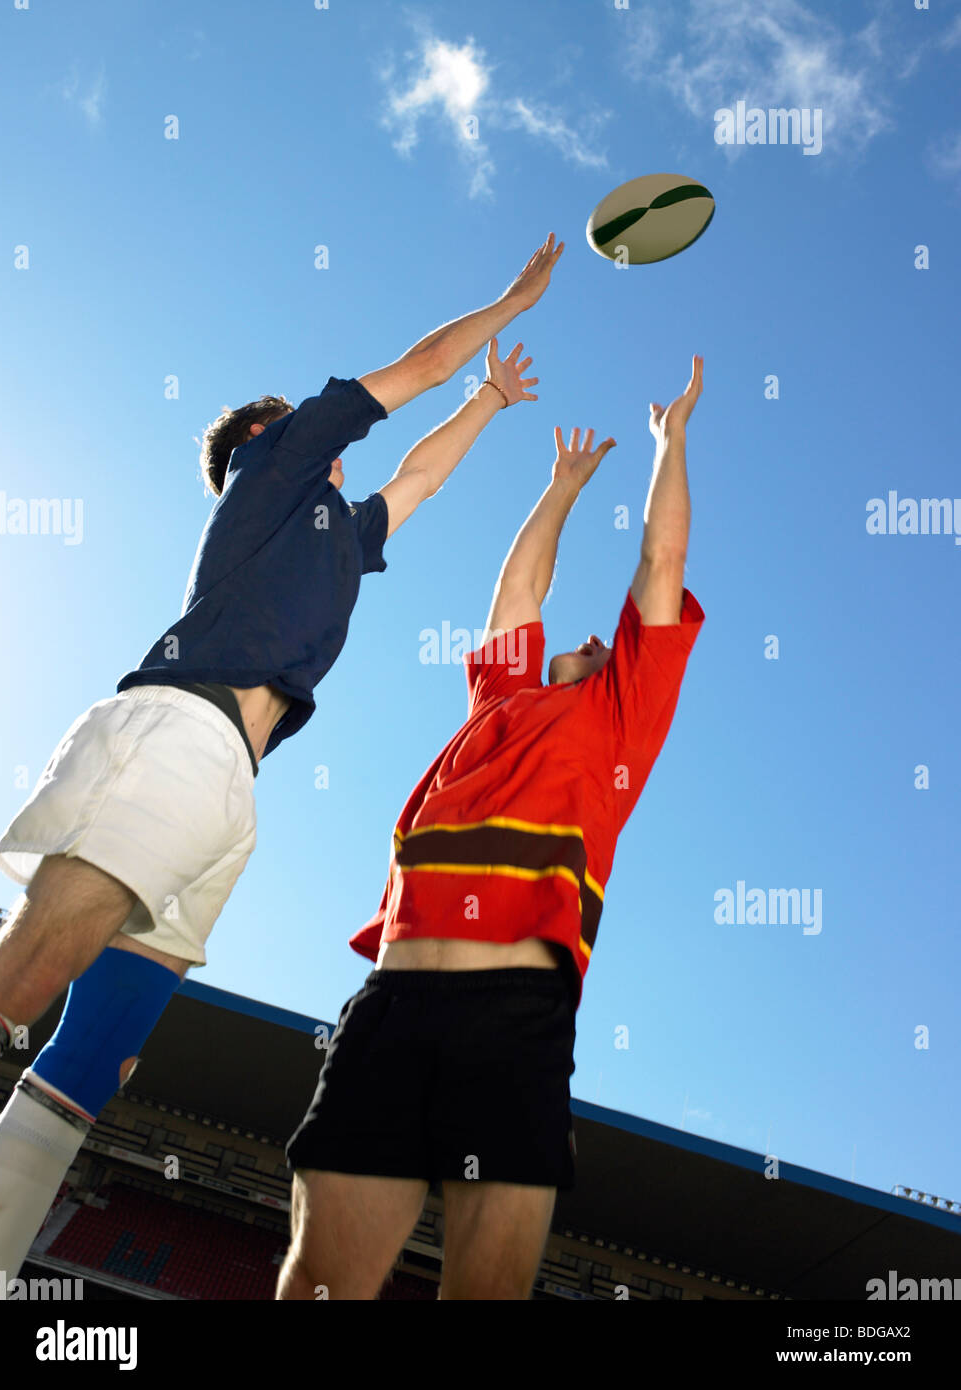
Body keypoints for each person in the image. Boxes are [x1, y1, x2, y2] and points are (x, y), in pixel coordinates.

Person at [0, 234, 564, 1283]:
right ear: (265, 435)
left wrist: (489, 400)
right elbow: (421, 363)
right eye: (289, 417)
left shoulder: (337, 527)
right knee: (27, 970)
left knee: (100, 1052)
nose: (319, 429)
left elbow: (421, 479)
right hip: (176, 731)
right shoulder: (274, 464)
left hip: (230, 786)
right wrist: (512, 302)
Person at [279, 356, 706, 1301]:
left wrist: (668, 443)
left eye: (605, 643)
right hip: (390, 1005)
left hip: (514, 1016)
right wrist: (561, 490)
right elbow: (518, 590)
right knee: (316, 1283)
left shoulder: (621, 717)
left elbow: (660, 562)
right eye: (580, 638)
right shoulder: (499, 699)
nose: (590, 638)